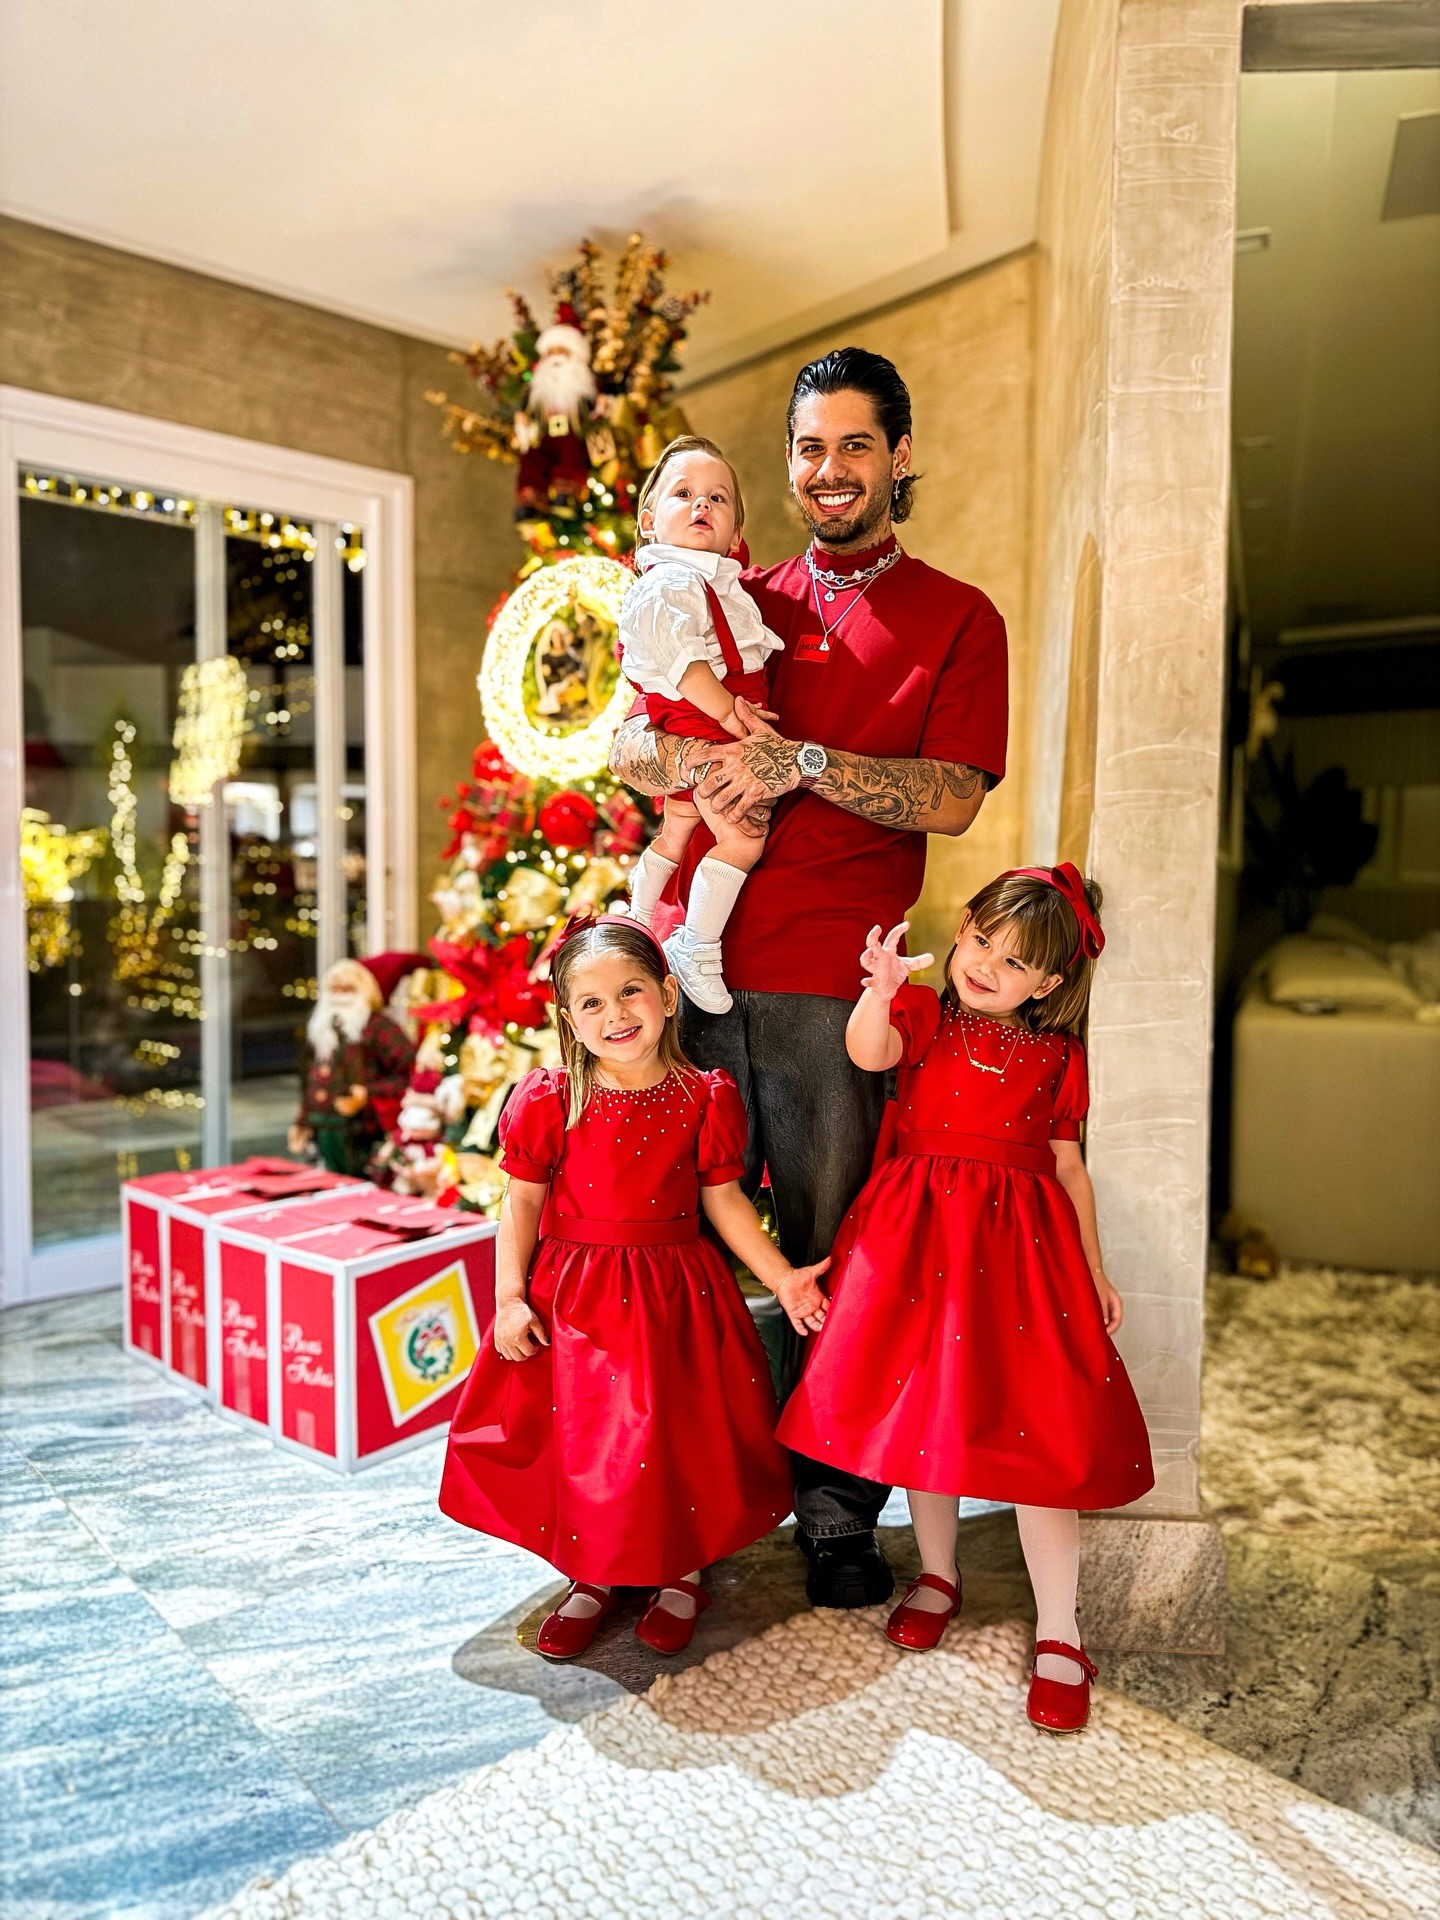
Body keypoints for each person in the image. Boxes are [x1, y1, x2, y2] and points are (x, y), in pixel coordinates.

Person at [608, 347, 1008, 1608]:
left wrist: (807, 762)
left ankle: (835, 1511)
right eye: (808, 447)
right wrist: (689, 763)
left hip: (836, 987)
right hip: (689, 976)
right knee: (675, 1250)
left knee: (832, 1249)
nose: (827, 470)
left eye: (853, 446)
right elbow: (626, 742)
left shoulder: (958, 617)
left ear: (899, 457)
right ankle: (683, 1501)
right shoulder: (728, 589)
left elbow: (953, 797)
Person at [777, 869, 1155, 1733]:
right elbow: (867, 1053)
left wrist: (1094, 1269)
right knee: (927, 1415)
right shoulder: (923, 1016)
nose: (987, 965)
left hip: (1021, 1252)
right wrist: (879, 991)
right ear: (962, 932)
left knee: (1042, 1431)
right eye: (982, 941)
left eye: (1014, 962)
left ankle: (1061, 1632)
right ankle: (939, 1574)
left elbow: (1068, 1167)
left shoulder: (1059, 1058)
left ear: (1047, 984)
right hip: (915, 1242)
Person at [438, 916, 831, 1661]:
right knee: (590, 1438)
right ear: (567, 1019)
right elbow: (521, 1203)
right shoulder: (552, 1098)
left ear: (668, 995)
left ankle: (681, 1573)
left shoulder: (702, 1096)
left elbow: (724, 1201)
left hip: (674, 1295)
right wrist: (510, 1299)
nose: (615, 1014)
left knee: (672, 1436)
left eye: (630, 992)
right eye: (591, 1003)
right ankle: (592, 1575)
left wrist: (782, 1278)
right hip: (576, 1297)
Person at [621, 435, 783, 1014]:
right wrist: (729, 713)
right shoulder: (670, 581)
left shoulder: (715, 582)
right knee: (742, 838)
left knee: (678, 828)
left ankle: (639, 917)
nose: (701, 505)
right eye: (684, 493)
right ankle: (698, 946)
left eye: (718, 498)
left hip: (700, 714)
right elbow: (682, 661)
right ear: (648, 520)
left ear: (737, 532)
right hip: (705, 717)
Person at [289, 957, 416, 1176]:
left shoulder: (380, 1028)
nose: (338, 996)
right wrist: (302, 1121)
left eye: (347, 989)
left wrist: (368, 1094)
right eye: (334, 989)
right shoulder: (319, 1030)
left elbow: (409, 1075)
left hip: (365, 1133)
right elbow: (312, 1080)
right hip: (323, 1130)